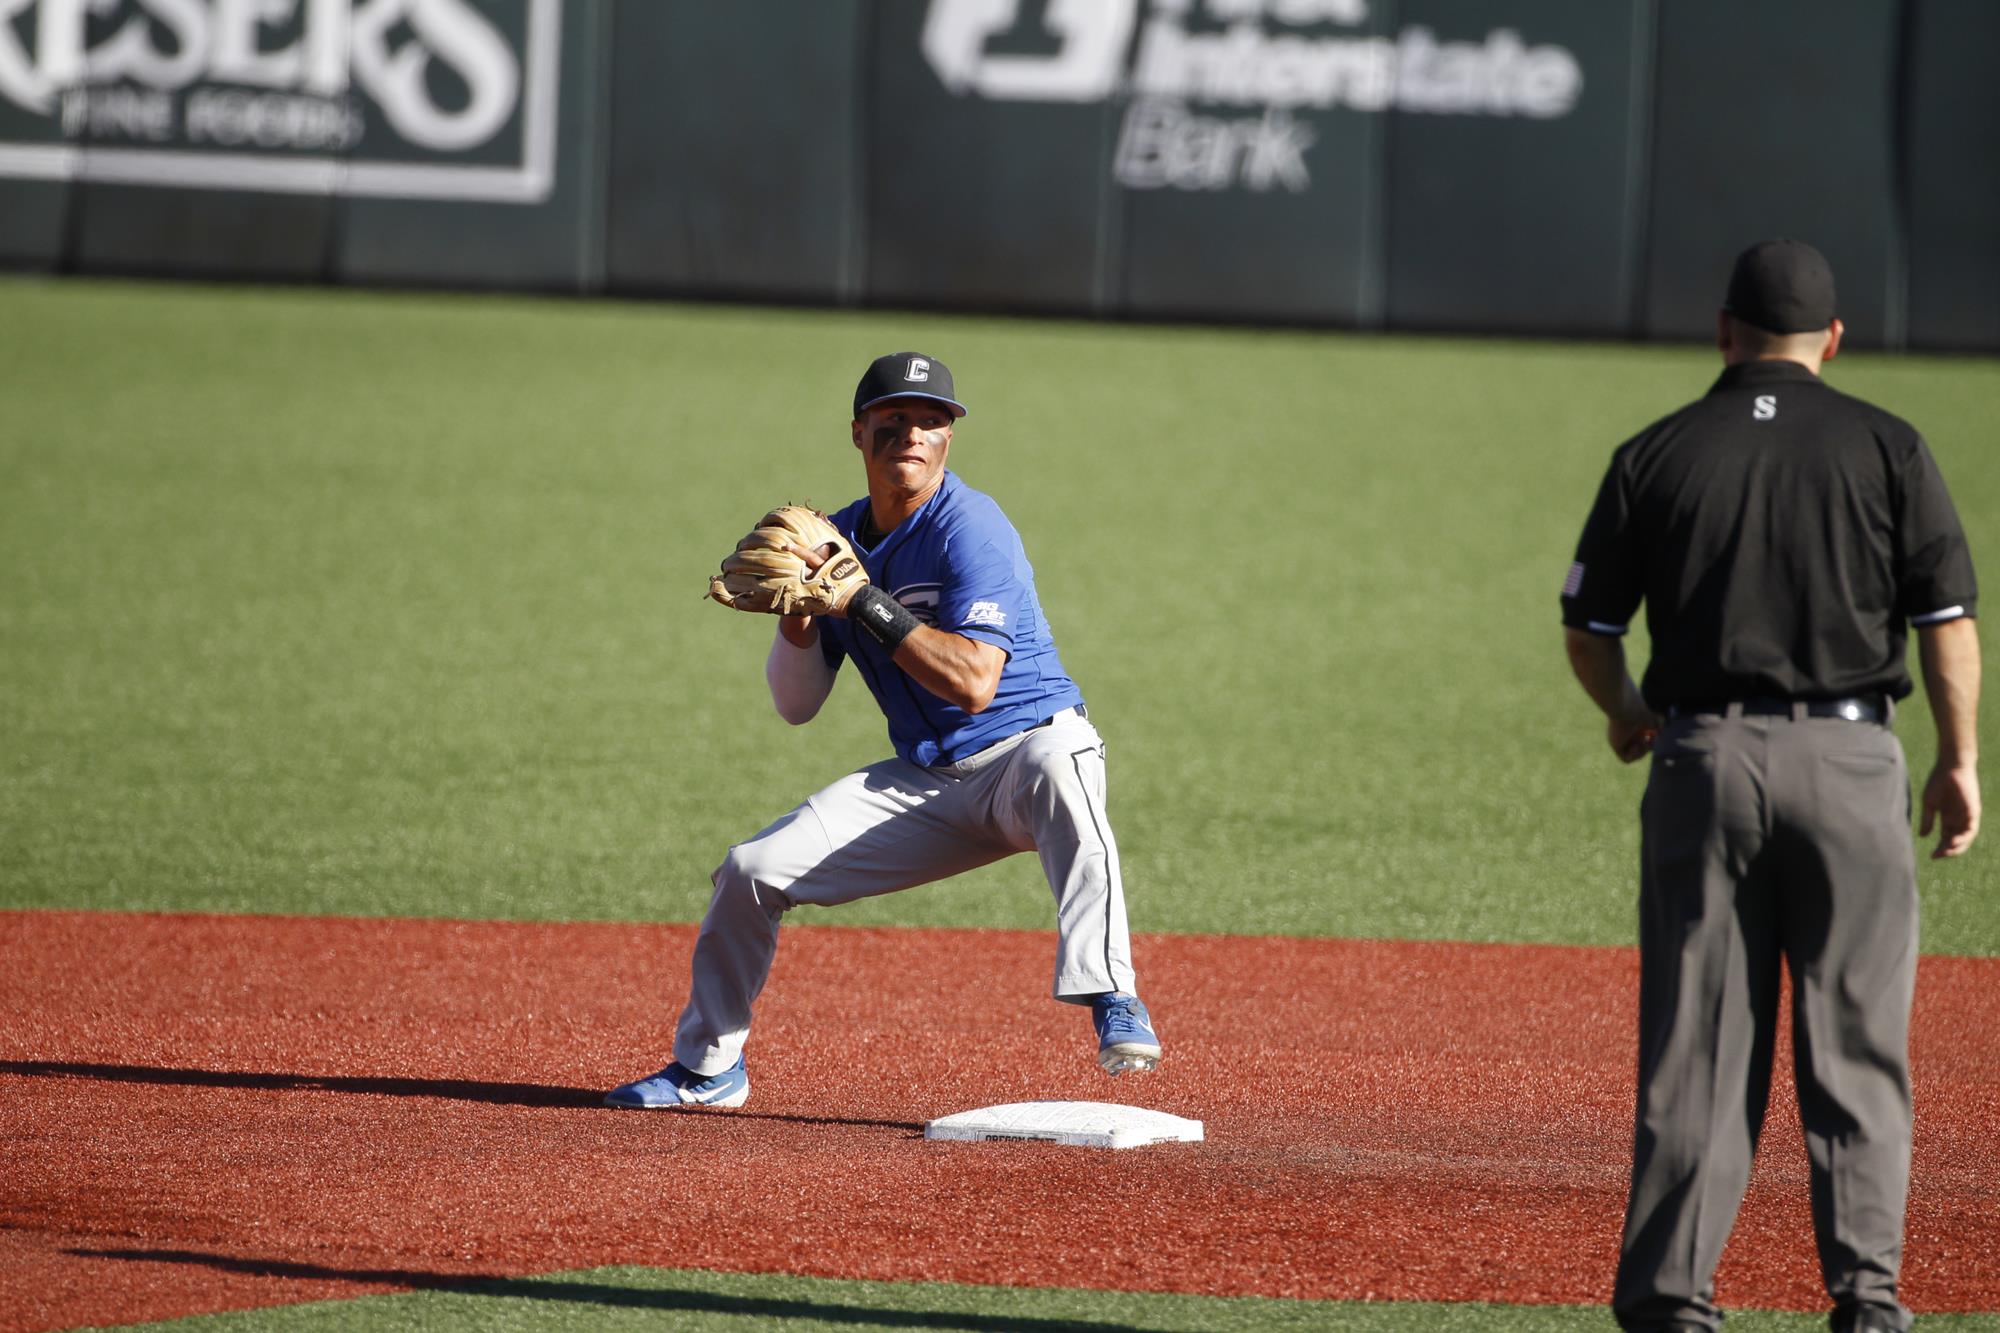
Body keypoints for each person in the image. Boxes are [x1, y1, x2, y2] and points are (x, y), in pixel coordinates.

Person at [1560, 239, 1981, 1333]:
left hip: (1700, 760)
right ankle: (1866, 1302)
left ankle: (1669, 1306)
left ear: (1721, 331)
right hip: (1849, 764)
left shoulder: (1656, 451)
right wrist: (1958, 757)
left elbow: (1587, 628)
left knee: (1694, 1051)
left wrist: (1625, 713)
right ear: (1831, 339)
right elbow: (1946, 627)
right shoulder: (1885, 445)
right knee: (1855, 1044)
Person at [607, 351, 1160, 1110]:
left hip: (1026, 751)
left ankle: (1112, 995)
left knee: (1068, 761)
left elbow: (973, 683)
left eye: (932, 421)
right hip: (929, 783)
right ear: (859, 433)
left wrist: (863, 601)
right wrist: (801, 615)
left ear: (949, 439)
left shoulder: (971, 527)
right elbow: (796, 706)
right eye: (894, 420)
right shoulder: (829, 543)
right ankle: (709, 1067)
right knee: (751, 869)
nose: (912, 434)